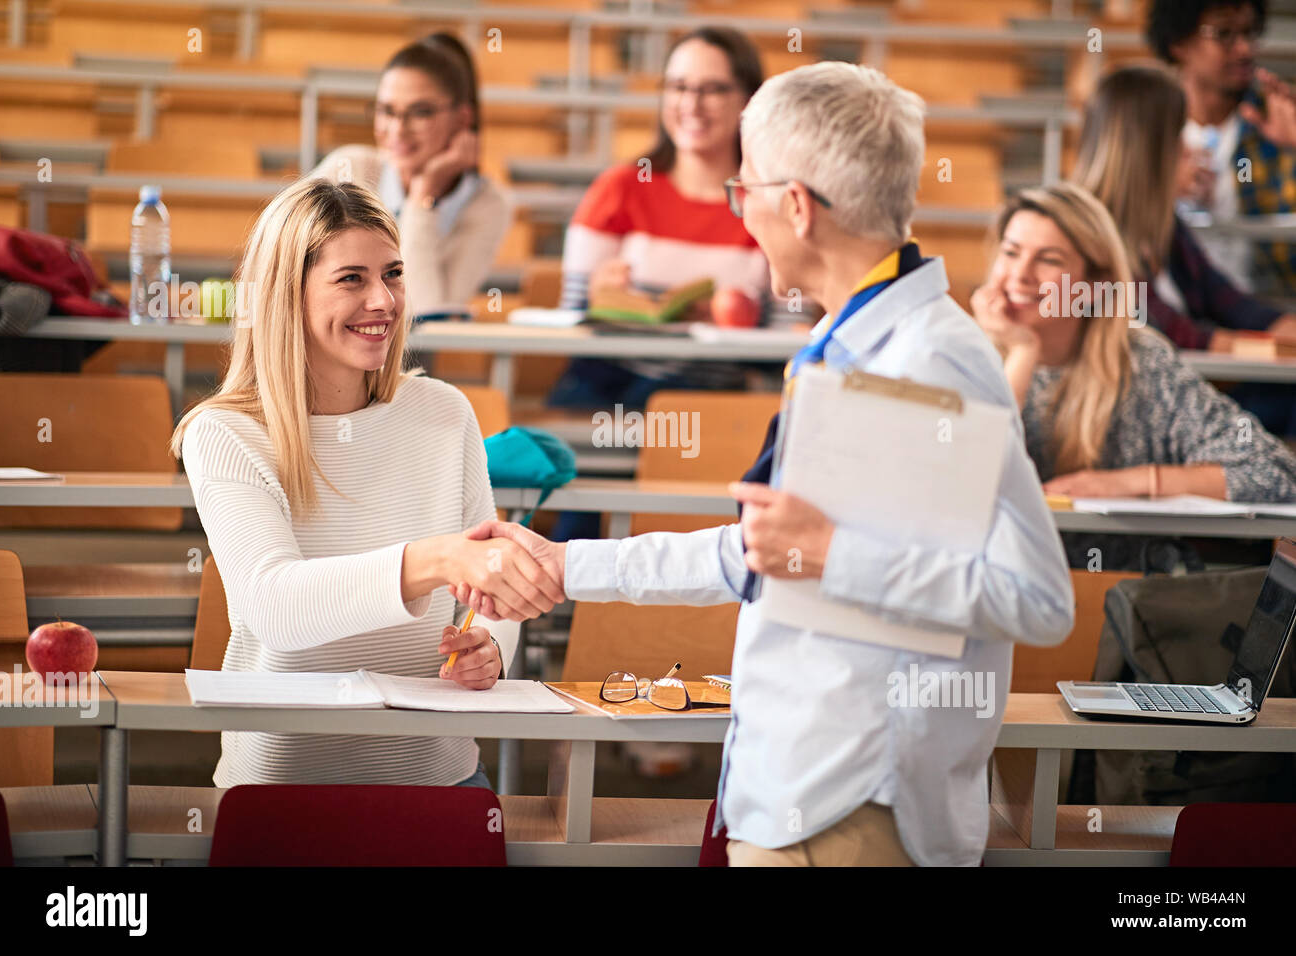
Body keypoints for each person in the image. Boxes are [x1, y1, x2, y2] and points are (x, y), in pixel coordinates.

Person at [458, 64, 1076, 866]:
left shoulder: (932, 359)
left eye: (741, 188)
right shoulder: (844, 338)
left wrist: (833, 556)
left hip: (855, 808)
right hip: (798, 793)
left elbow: (1037, 600)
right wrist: (567, 565)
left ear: (795, 205)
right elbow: (764, 552)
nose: (737, 210)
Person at [170, 177, 562, 789]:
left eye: (394, 274)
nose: (383, 300)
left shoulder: (444, 411)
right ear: (285, 295)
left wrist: (489, 643)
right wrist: (434, 559)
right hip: (285, 785)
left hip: (441, 775)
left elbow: (490, 588)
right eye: (351, 278)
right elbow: (277, 607)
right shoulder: (223, 433)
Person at [970, 182, 1296, 570]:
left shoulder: (1140, 363)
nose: (1020, 275)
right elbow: (966, 480)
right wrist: (1022, 354)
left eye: (1050, 259)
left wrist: (1130, 482)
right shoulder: (967, 354)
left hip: (1122, 603)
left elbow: (1274, 472)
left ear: (1092, 286)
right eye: (1010, 252)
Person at [550, 25, 799, 410]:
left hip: (717, 400)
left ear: (748, 100)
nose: (692, 104)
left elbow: (786, 340)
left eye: (713, 89)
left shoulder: (770, 203)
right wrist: (601, 299)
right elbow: (571, 319)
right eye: (679, 87)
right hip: (608, 391)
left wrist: (731, 323)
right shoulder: (619, 188)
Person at [1073, 62, 1296, 436]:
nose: (1190, 149)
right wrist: (1280, 348)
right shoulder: (1088, 239)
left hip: (1192, 399)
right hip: (1144, 423)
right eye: (1179, 136)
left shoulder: (1164, 226)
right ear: (1147, 152)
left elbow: (1229, 301)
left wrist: (1283, 329)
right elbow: (1177, 336)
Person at [312, 32, 510, 317]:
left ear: (463, 119)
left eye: (420, 112)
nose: (398, 130)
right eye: (387, 111)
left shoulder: (487, 204)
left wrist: (423, 197)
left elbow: (423, 312)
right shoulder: (349, 169)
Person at [1148, 0, 1296, 295]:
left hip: (1264, 312)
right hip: (1167, 316)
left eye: (1249, 33)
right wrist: (1162, 191)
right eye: (1224, 34)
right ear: (1179, 43)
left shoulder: (1276, 121)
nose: (1244, 49)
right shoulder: (1147, 125)